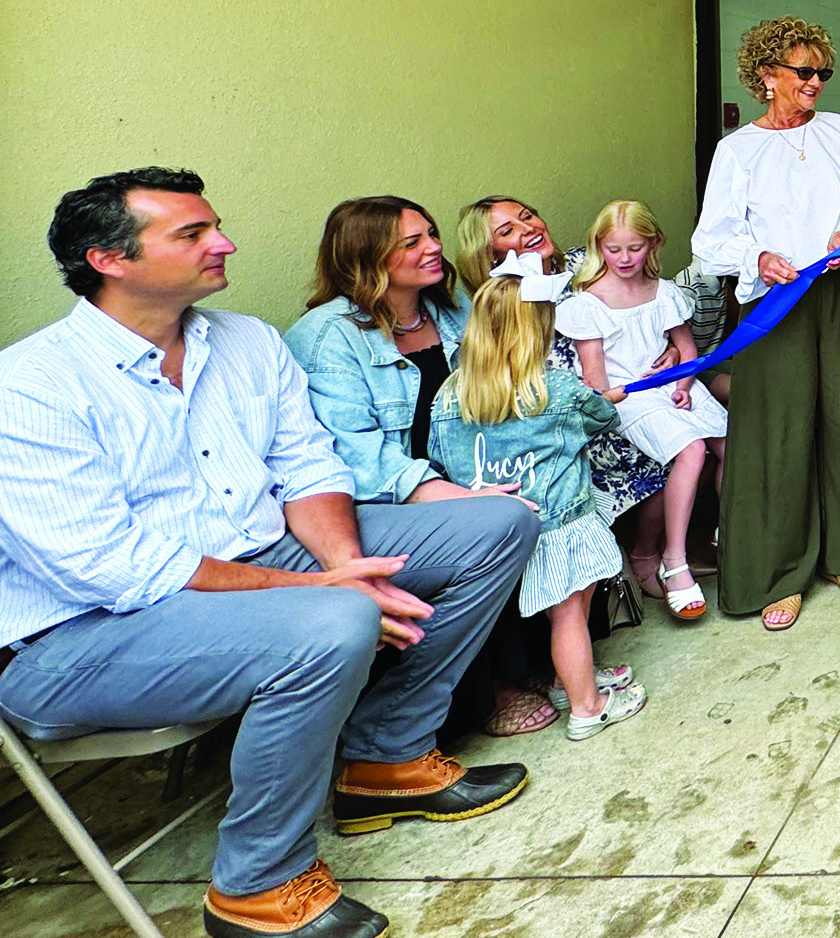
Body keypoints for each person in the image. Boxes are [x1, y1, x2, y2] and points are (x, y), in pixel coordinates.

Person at [0, 168, 537, 938]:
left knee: (498, 524)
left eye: (213, 225)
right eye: (192, 234)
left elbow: (310, 468)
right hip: (83, 635)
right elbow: (110, 567)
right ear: (109, 260)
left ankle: (386, 758)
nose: (225, 243)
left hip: (257, 552)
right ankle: (257, 885)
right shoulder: (30, 387)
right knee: (333, 620)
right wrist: (317, 591)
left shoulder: (246, 340)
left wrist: (342, 564)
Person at [285, 197, 559, 741]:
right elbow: (358, 459)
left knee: (550, 492)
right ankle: (483, 692)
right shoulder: (327, 336)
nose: (434, 248)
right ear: (367, 258)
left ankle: (536, 658)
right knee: (496, 522)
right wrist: (459, 495)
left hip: (466, 464)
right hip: (384, 496)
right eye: (411, 243)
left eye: (430, 234)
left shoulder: (449, 309)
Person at [693, 16, 840, 630]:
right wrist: (756, 258)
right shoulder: (738, 149)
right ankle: (780, 574)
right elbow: (711, 239)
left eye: (822, 72)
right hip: (772, 301)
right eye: (803, 71)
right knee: (778, 430)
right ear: (767, 77)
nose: (815, 82)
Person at [428, 254, 644, 740]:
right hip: (562, 526)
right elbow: (600, 419)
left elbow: (438, 460)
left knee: (556, 618)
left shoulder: (450, 396)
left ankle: (573, 682)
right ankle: (589, 707)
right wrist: (606, 401)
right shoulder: (556, 387)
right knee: (570, 615)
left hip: (503, 530)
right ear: (538, 332)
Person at [456, 195, 670, 536]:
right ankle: (645, 553)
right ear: (489, 252)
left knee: (697, 426)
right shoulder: (499, 303)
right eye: (509, 230)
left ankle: (660, 548)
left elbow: (650, 309)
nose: (529, 229)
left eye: (529, 216)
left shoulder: (587, 263)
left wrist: (671, 348)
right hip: (570, 413)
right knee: (669, 443)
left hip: (636, 381)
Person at [559, 200, 728, 621]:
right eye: (614, 249)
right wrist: (636, 392)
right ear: (599, 246)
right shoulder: (588, 302)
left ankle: (735, 533)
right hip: (630, 397)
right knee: (692, 451)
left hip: (675, 387)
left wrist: (685, 384)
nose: (624, 259)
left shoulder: (665, 292)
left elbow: (687, 350)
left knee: (731, 445)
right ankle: (675, 560)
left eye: (634, 248)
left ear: (653, 243)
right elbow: (597, 382)